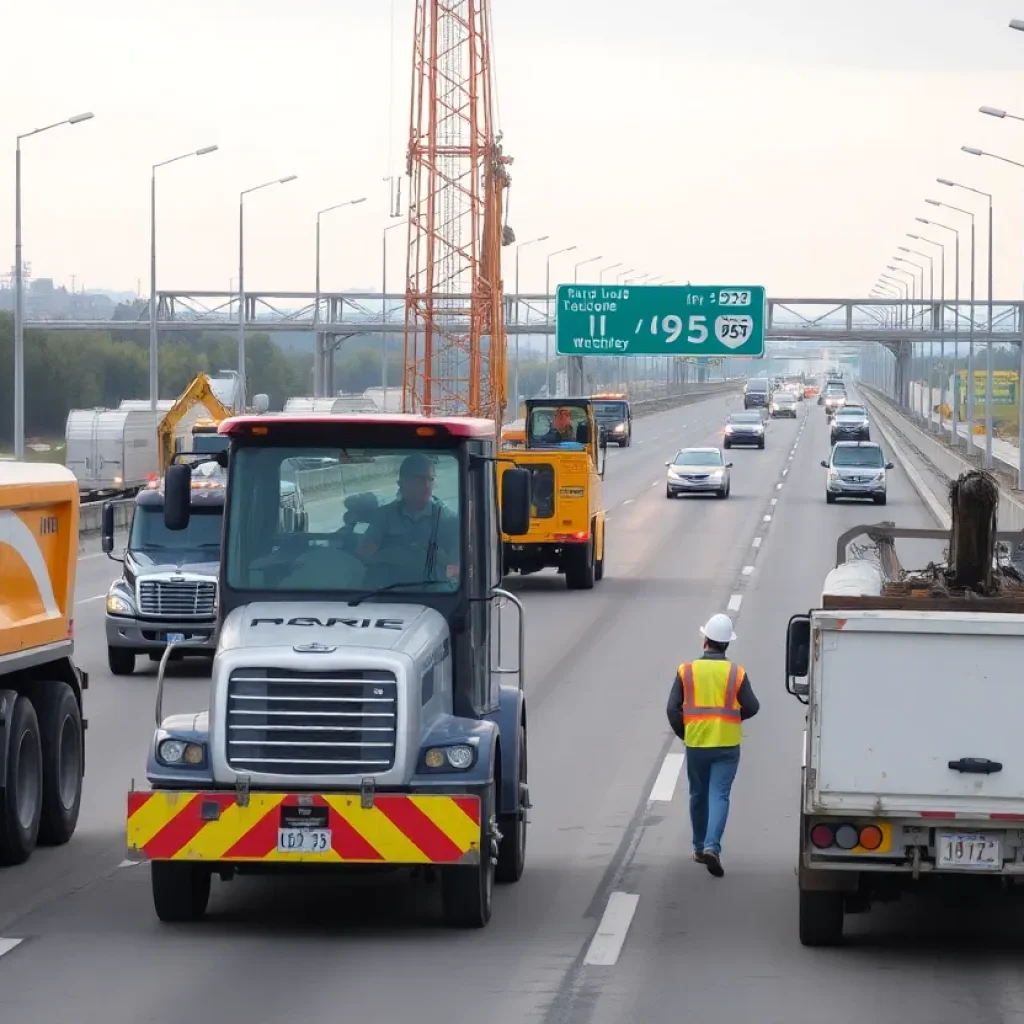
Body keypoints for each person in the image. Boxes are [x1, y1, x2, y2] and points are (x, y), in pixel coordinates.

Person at [665, 613, 759, 878]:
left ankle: (697, 847)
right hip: (727, 745)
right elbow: (752, 706)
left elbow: (672, 708)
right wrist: (730, 718)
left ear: (705, 639)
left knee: (698, 794)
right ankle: (712, 846)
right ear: (727, 644)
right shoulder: (736, 673)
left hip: (697, 744)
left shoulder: (687, 671)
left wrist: (686, 732)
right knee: (719, 795)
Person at [357, 453, 459, 584]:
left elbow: (460, 566)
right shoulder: (384, 516)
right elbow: (364, 556)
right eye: (419, 479)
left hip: (432, 590)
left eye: (431, 479)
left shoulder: (447, 519)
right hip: (388, 588)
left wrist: (443, 565)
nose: (427, 485)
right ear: (402, 483)